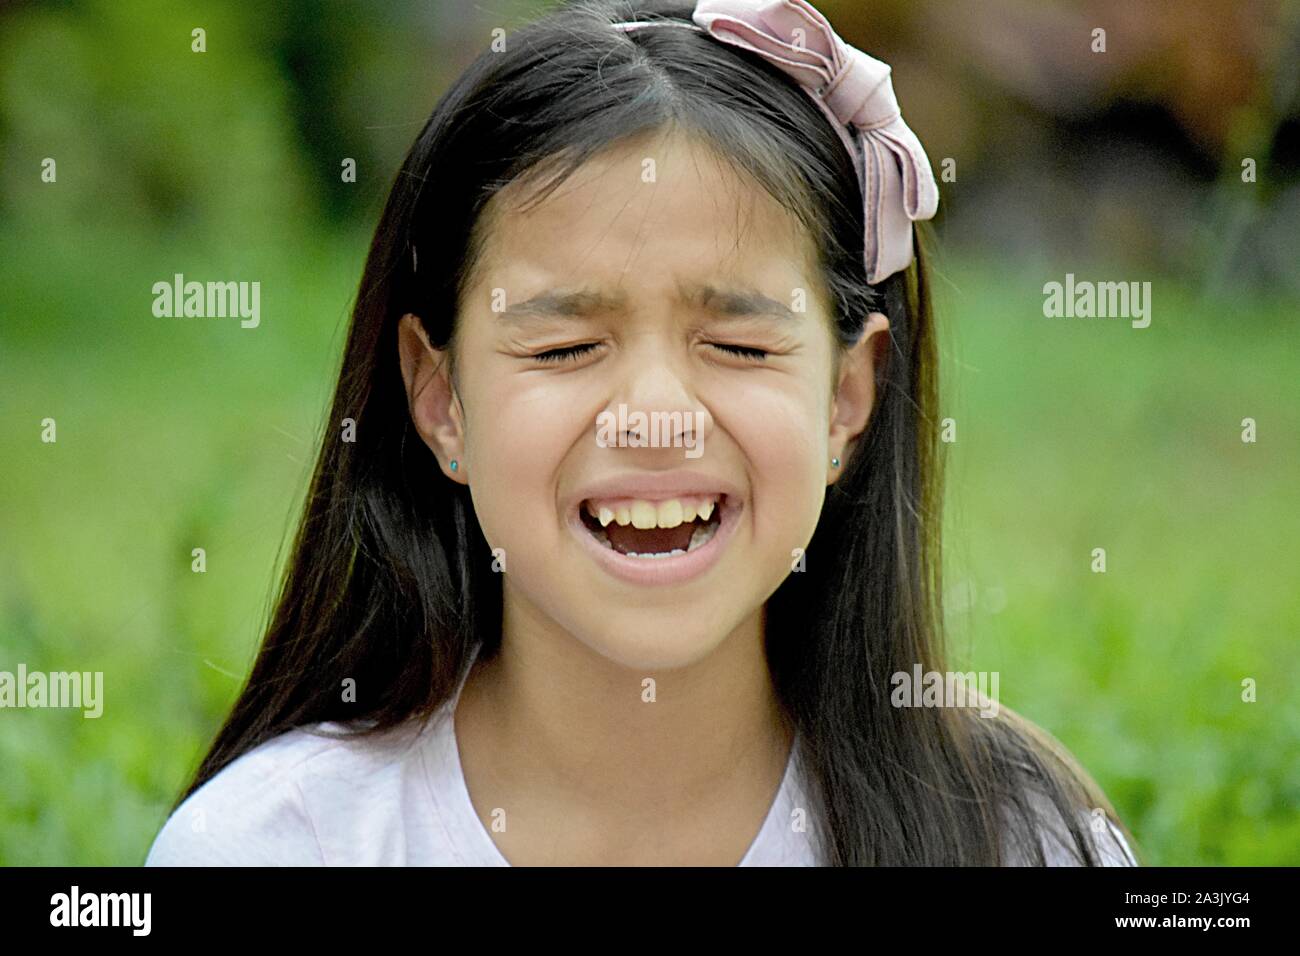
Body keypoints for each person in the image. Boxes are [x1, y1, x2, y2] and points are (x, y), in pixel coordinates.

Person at [146, 0, 1138, 866]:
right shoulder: (276, 846)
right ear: (441, 400)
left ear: (845, 399)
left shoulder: (1015, 840)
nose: (656, 415)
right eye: (567, 345)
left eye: (739, 344)